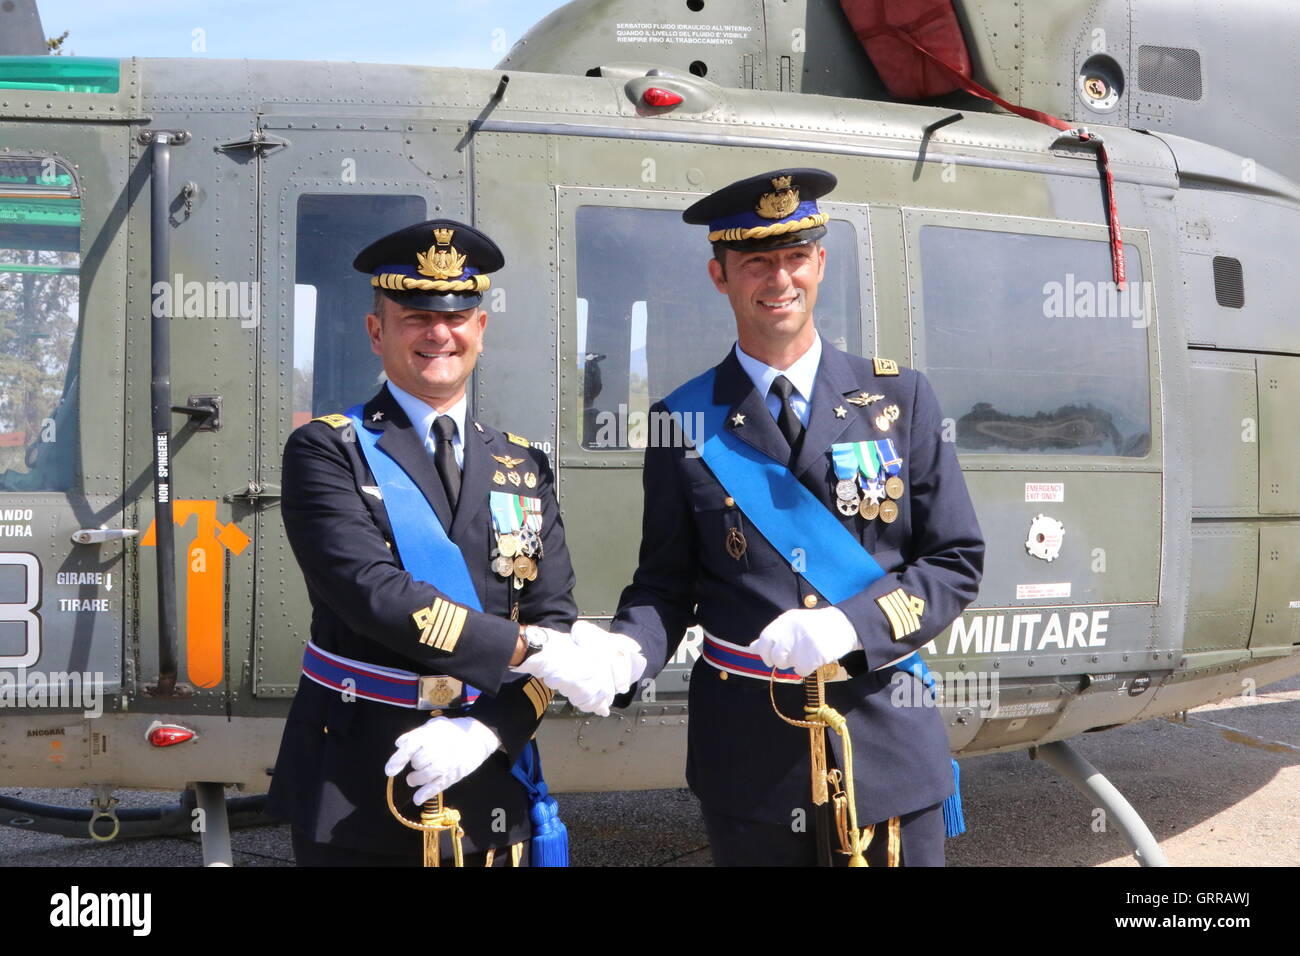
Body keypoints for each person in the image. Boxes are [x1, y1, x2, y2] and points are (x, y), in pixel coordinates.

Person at [590, 168, 985, 866]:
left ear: (821, 263)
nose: (780, 280)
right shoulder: (682, 421)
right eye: (756, 263)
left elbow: (953, 563)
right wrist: (628, 652)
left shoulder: (900, 399)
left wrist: (848, 624)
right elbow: (664, 584)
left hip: (887, 738)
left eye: (795, 257)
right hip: (751, 759)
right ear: (721, 275)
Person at [268, 219, 620, 866]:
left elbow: (553, 618)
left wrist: (489, 731)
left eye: (457, 316)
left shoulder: (523, 465)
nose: (439, 333)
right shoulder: (327, 450)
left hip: (491, 779)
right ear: (377, 332)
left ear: (479, 332)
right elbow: (372, 593)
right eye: (415, 315)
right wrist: (526, 647)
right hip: (359, 780)